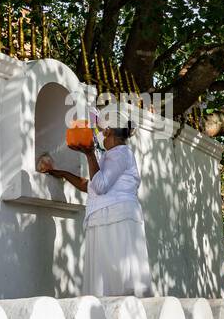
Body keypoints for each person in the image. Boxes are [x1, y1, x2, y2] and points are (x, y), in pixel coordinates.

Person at [40, 121, 152, 296]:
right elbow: (91, 186)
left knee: (114, 280)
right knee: (108, 280)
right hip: (109, 217)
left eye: (102, 132)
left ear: (108, 132)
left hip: (115, 218)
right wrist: (60, 173)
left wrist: (90, 154)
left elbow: (100, 185)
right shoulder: (113, 156)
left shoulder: (120, 153)